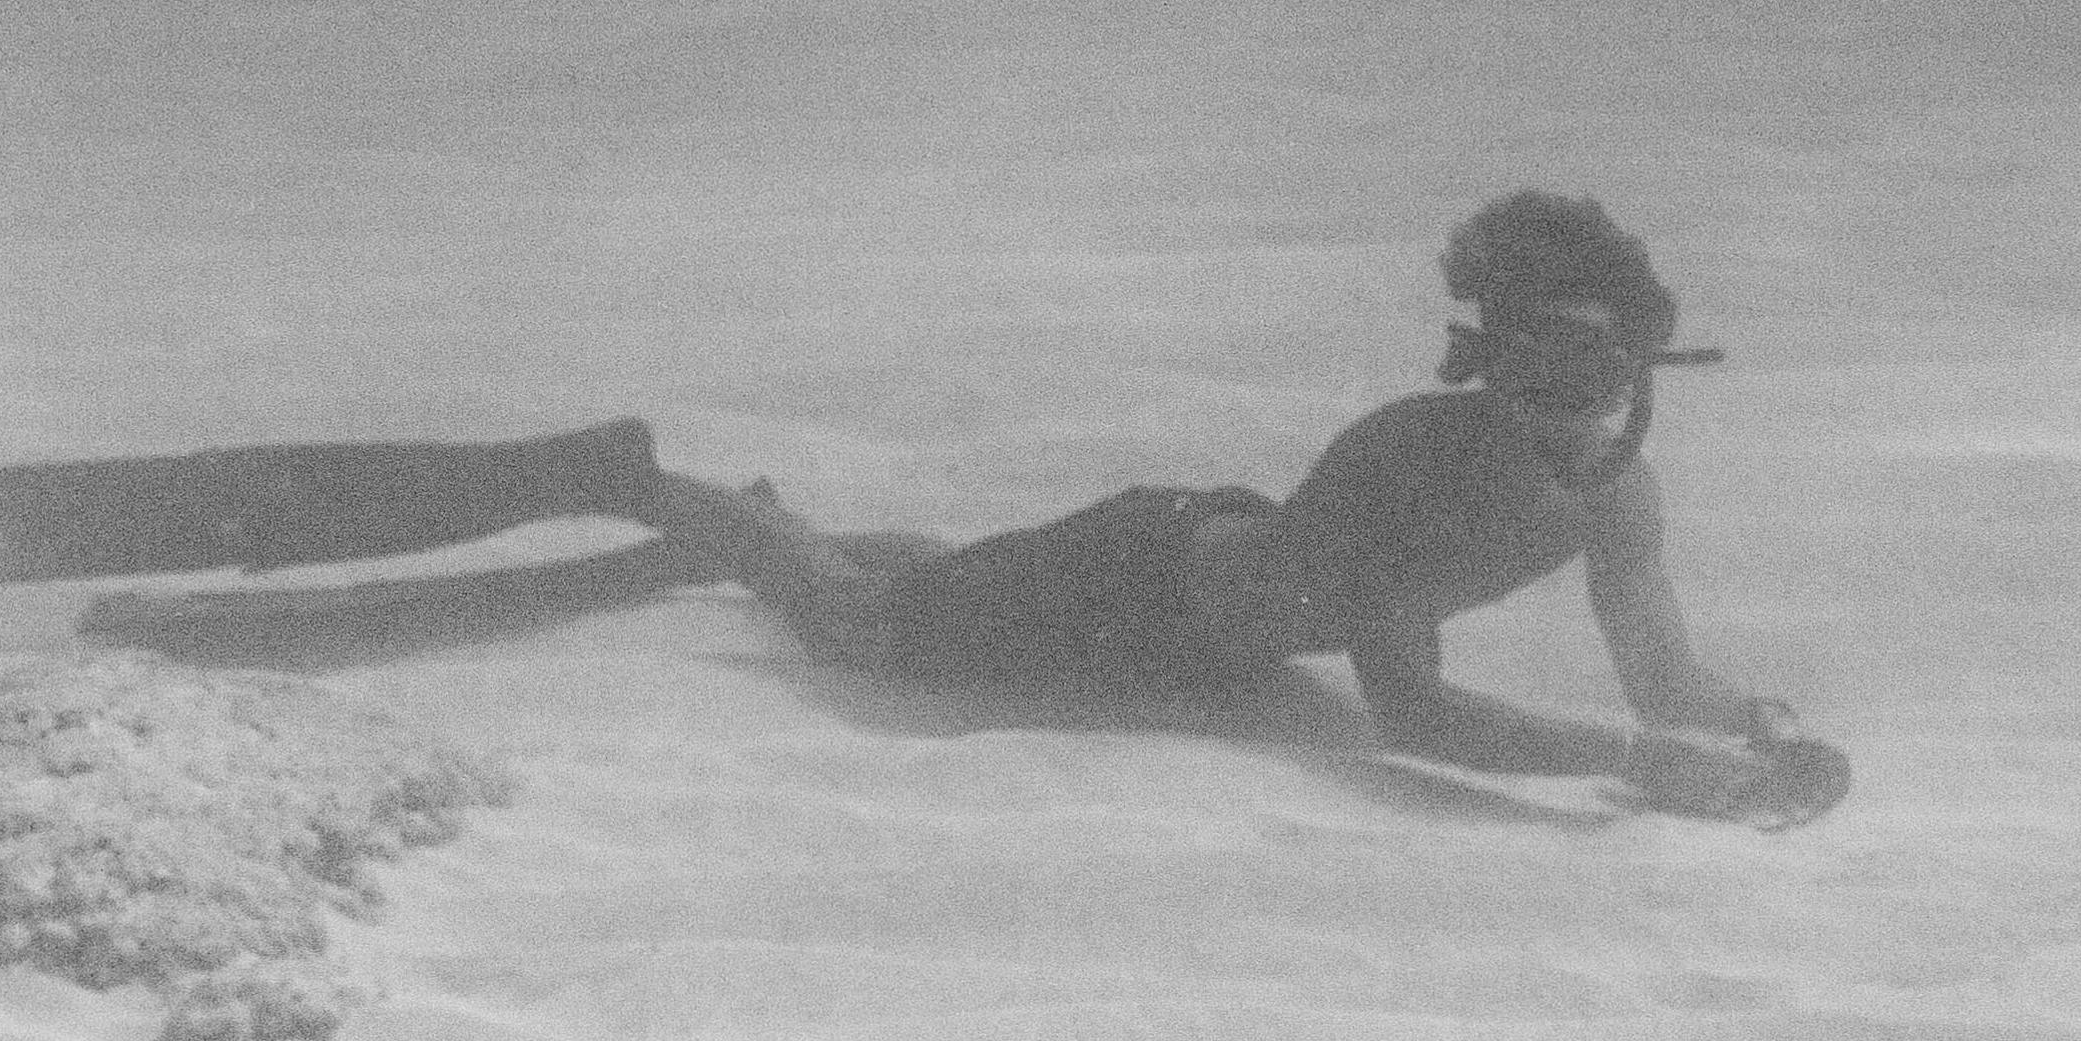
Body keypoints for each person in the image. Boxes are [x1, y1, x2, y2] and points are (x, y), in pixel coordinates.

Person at [614, 193, 1844, 818]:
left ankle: (796, 521)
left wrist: (1765, 733)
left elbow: (1665, 683)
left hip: (1225, 620)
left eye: (1590, 370)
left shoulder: (1623, 502)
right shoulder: (1415, 460)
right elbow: (1408, 709)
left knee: (929, 577)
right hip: (1127, 588)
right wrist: (1634, 766)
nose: (1560, 407)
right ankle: (691, 505)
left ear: (1644, 361)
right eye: (1530, 367)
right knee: (860, 631)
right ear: (1481, 363)